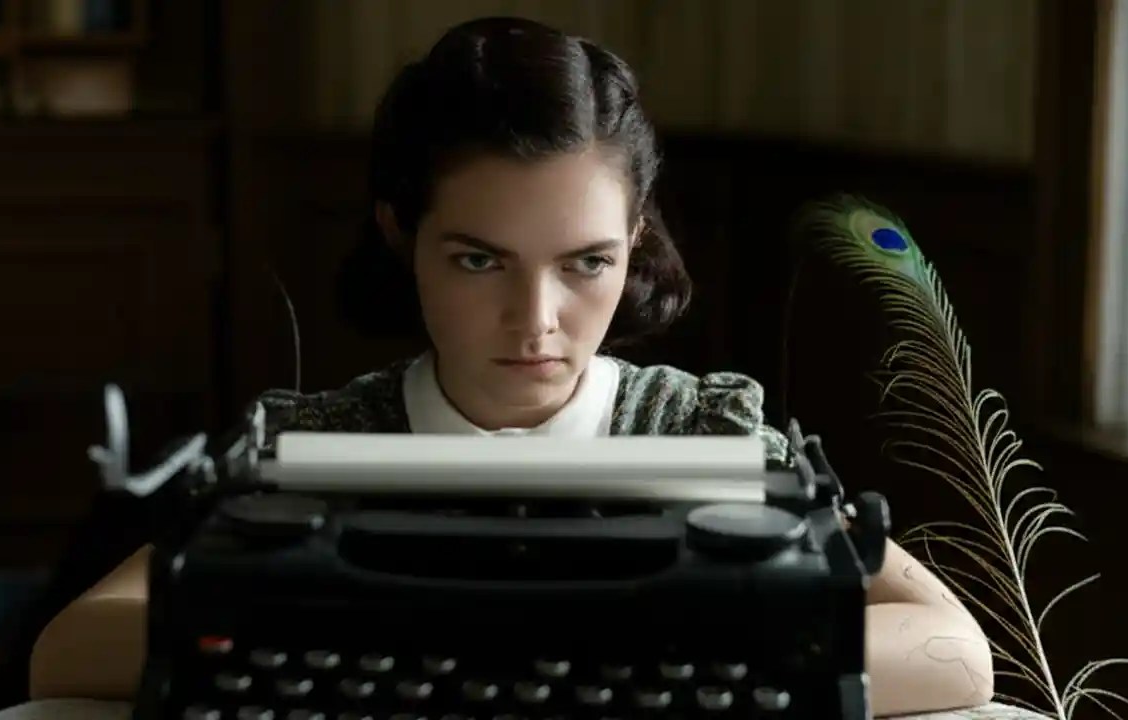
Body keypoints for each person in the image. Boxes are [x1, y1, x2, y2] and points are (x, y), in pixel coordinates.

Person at [256, 16, 996, 718]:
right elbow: (135, 623)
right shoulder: (324, 443)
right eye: (479, 260)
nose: (537, 320)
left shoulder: (703, 434)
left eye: (587, 262)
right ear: (400, 233)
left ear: (634, 238)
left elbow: (955, 653)